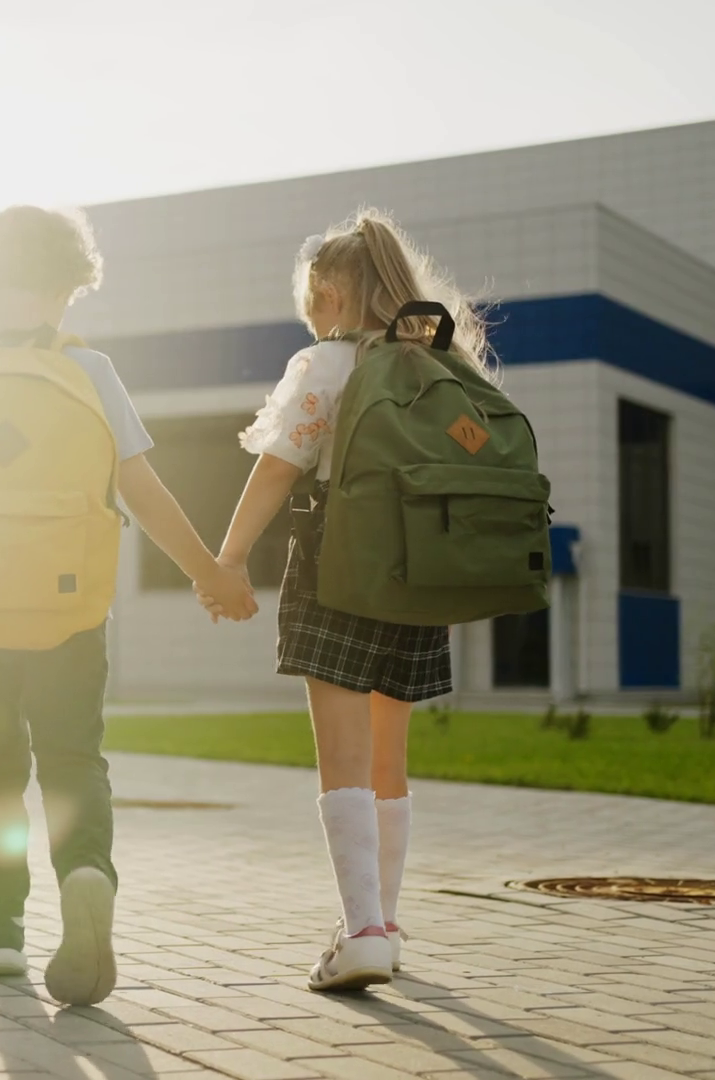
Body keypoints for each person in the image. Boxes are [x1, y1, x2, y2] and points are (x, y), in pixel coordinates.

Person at [0, 205, 255, 1006]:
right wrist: (211, 571)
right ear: (71, 284)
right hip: (68, 611)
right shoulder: (92, 372)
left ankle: (2, 935)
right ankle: (85, 870)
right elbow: (140, 490)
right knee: (74, 758)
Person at [201, 209, 492, 991]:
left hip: (338, 564)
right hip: (420, 574)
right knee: (388, 756)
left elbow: (277, 469)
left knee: (343, 756)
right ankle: (384, 924)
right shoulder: (440, 366)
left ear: (328, 292)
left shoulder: (327, 365)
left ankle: (360, 929)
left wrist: (226, 560)